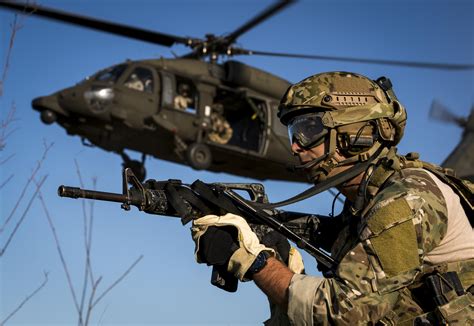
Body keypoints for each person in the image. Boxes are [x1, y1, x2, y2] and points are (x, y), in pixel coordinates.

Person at [190, 72, 474, 325]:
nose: (295, 145)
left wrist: (254, 261)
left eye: (308, 130)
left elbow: (340, 312)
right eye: (293, 132)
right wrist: (280, 259)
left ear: (354, 135)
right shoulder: (363, 204)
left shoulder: (405, 200)